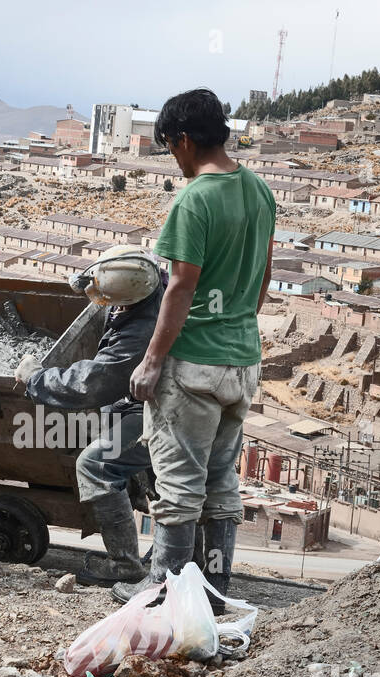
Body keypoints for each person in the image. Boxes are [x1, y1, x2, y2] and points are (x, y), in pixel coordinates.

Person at [113, 88, 275, 609]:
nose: (174, 160)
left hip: (195, 364)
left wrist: (153, 360)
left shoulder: (193, 199)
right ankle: (216, 589)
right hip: (242, 360)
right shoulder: (257, 188)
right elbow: (265, 273)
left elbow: (180, 286)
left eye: (169, 147)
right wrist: (239, 327)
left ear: (183, 139)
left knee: (179, 484)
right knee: (222, 481)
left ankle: (166, 591)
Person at [15, 246, 164, 585]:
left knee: (95, 464)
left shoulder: (140, 331)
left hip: (166, 409)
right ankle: (177, 557)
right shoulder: (151, 283)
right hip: (158, 400)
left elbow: (92, 384)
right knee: (149, 462)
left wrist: (36, 377)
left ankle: (124, 566)